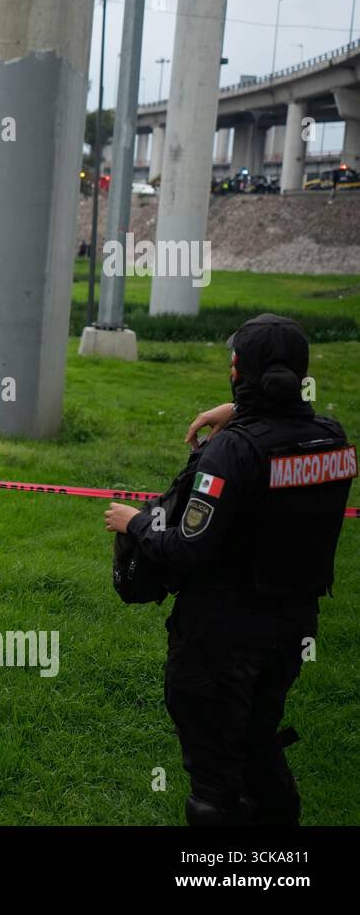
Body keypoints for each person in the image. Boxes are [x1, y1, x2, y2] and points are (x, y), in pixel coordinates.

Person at [104, 314, 354, 825]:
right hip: (292, 626)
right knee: (259, 741)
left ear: (238, 370)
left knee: (214, 775)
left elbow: (182, 551)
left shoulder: (232, 452)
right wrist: (241, 413)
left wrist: (135, 524)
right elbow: (284, 436)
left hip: (220, 636)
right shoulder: (331, 439)